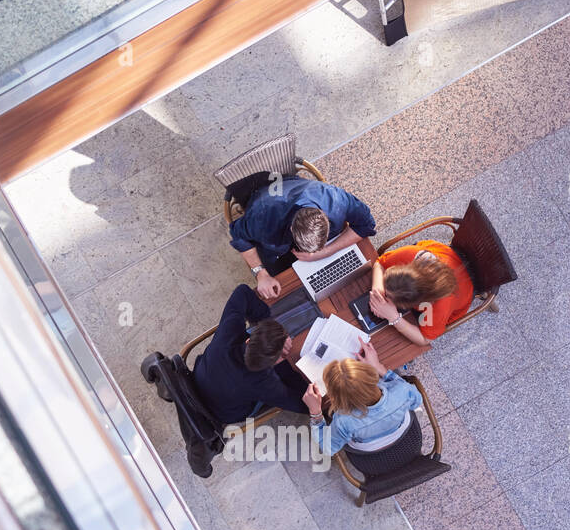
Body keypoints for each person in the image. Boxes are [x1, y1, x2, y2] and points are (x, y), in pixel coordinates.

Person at [229, 176, 378, 299]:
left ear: (324, 215)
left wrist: (325, 252)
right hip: (276, 251)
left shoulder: (335, 200)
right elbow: (238, 236)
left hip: (320, 250)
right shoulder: (262, 216)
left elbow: (366, 224)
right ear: (292, 228)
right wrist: (261, 274)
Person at [192, 284, 320, 427]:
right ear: (276, 361)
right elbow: (301, 403)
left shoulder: (228, 333)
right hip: (224, 412)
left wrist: (268, 326)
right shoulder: (264, 384)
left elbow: (241, 291)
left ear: (248, 340)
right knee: (294, 379)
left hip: (201, 379)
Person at [306, 338, 423, 455]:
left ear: (335, 397)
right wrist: (379, 366)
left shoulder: (343, 422)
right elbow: (416, 401)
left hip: (368, 451)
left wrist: (315, 412)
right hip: (401, 433)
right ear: (372, 374)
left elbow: (327, 448)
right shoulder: (401, 391)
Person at [368, 238, 473, 350]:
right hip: (447, 257)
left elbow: (424, 339)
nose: (385, 296)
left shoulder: (439, 307)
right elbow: (380, 264)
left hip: (462, 292)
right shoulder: (410, 254)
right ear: (403, 267)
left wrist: (394, 318)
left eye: (388, 296)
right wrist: (378, 288)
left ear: (410, 306)